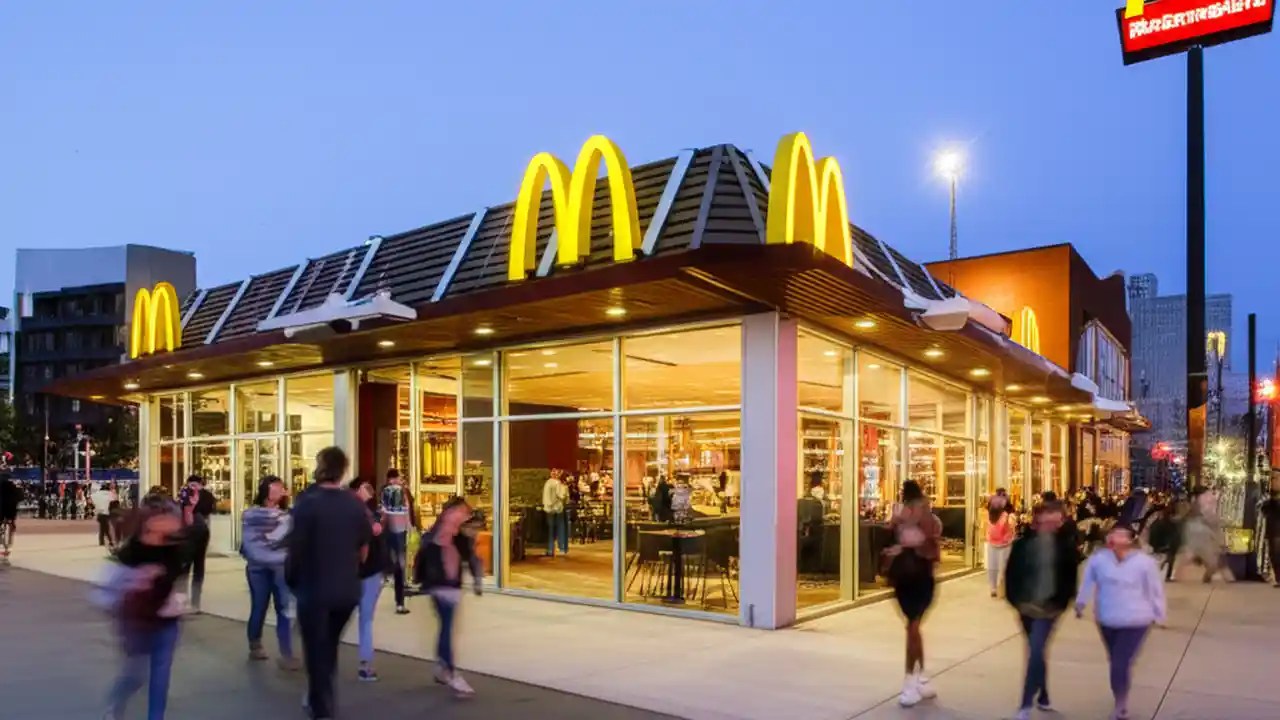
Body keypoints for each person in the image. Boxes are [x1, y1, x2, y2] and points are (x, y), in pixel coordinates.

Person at [286, 447, 371, 720]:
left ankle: (321, 706)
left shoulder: (307, 503)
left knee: (315, 649)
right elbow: (364, 548)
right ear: (344, 470)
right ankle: (320, 696)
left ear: (319, 466)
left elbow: (295, 549)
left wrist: (293, 581)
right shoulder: (354, 503)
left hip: (315, 588)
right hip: (346, 590)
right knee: (329, 644)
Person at [100, 499, 190, 719]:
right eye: (166, 517)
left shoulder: (176, 549)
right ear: (150, 523)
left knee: (160, 675)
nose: (172, 522)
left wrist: (175, 600)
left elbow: (175, 579)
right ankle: (114, 705)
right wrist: (138, 582)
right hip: (136, 623)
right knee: (135, 674)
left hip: (166, 621)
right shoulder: (130, 554)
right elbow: (105, 591)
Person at [1075, 523, 1166, 720]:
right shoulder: (1099, 560)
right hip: (1107, 618)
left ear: (1131, 539)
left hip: (1136, 620)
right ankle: (1120, 691)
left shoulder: (1144, 562)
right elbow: (1088, 581)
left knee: (1119, 663)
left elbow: (1155, 589)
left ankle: (1121, 703)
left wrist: (1159, 613)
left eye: (1123, 535)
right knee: (1116, 661)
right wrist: (1081, 602)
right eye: (1114, 534)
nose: (1118, 539)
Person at [1005, 501, 1078, 720]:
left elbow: (1070, 581)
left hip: (1049, 610)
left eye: (1056, 519)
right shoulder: (1022, 545)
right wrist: (1016, 601)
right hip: (1026, 607)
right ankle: (1043, 694)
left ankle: (1025, 704)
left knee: (1035, 651)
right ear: (1037, 520)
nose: (1051, 523)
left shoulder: (1065, 547)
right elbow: (1011, 576)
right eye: (1047, 518)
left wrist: (1059, 605)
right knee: (1036, 651)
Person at [414, 496, 484, 697]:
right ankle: (451, 673)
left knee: (445, 626)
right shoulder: (452, 529)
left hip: (441, 584)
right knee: (446, 628)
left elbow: (469, 556)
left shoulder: (444, 528)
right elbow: (467, 555)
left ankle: (441, 666)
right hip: (445, 585)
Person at [884, 480, 942, 707]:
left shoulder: (924, 516)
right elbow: (891, 536)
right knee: (913, 627)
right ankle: (919, 678)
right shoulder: (904, 515)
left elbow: (931, 544)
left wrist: (906, 540)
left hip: (917, 576)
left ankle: (911, 679)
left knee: (913, 627)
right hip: (907, 577)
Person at [241, 476, 297, 669]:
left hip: (280, 567)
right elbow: (250, 541)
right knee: (259, 605)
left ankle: (287, 652)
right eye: (275, 488)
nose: (279, 491)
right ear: (265, 490)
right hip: (259, 567)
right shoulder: (252, 514)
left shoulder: (286, 516)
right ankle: (255, 643)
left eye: (281, 488)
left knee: (284, 607)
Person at [351, 477, 385, 682]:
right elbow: (370, 535)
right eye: (366, 488)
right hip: (365, 569)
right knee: (365, 617)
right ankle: (365, 664)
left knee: (363, 617)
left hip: (365, 570)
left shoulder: (364, 511)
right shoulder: (360, 512)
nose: (370, 492)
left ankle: (365, 662)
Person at [379, 468, 418, 614]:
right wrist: (410, 527)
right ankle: (399, 603)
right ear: (393, 478)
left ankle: (385, 579)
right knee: (399, 566)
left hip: (388, 531)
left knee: (390, 562)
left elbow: (383, 512)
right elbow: (406, 511)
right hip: (400, 531)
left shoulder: (384, 492)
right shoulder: (400, 491)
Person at [178, 477, 216, 611]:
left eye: (195, 485)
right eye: (191, 485)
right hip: (193, 533)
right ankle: (188, 601)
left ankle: (190, 602)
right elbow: (184, 509)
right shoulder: (187, 494)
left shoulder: (203, 495)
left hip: (197, 533)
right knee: (190, 568)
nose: (193, 487)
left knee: (193, 568)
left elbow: (208, 509)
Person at [985, 489, 1014, 598]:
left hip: (991, 541)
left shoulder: (989, 513)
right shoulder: (1007, 514)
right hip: (1005, 542)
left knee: (992, 566)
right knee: (1004, 566)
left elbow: (986, 526)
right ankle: (1002, 588)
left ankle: (993, 588)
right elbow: (1011, 526)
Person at [1146, 500, 1183, 582]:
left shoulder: (1161, 518)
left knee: (1169, 558)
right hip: (1168, 542)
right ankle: (1167, 575)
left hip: (1162, 542)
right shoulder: (1171, 520)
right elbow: (1172, 532)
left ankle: (1165, 573)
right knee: (1170, 558)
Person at [541, 470, 568, 556]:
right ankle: (562, 548)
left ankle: (550, 549)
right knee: (560, 528)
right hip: (557, 508)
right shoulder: (558, 483)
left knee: (550, 530)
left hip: (548, 509)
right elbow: (561, 495)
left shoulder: (547, 483)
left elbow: (545, 497)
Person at [1259, 489, 1280, 587]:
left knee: (1274, 556)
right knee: (1274, 556)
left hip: (1273, 532)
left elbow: (1263, 512)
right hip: (1273, 532)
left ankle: (1278, 579)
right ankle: (1278, 579)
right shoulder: (1269, 504)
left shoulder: (1268, 504)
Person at [0, 473, 21, 558]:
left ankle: (5, 546)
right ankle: (8, 547)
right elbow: (19, 497)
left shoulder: (1, 487)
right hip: (11, 511)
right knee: (11, 527)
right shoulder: (13, 487)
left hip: (2, 510)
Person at [92, 482, 117, 549]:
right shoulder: (109, 494)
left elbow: (92, 501)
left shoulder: (96, 494)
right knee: (106, 528)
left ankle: (102, 541)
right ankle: (110, 541)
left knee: (102, 528)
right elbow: (114, 500)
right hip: (106, 513)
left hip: (99, 514)